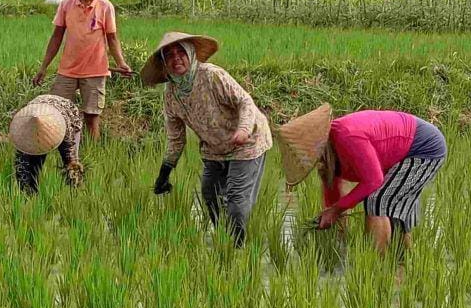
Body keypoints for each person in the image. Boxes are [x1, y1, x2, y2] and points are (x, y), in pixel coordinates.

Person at [144, 32, 272, 247]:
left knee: (236, 202)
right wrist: (164, 173)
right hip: (214, 148)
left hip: (247, 143)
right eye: (170, 55)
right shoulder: (171, 94)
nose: (176, 59)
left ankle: (237, 250)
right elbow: (176, 138)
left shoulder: (212, 76)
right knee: (210, 195)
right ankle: (224, 240)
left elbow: (245, 102)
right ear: (165, 64)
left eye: (181, 52)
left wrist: (243, 130)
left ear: (191, 54)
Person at [274, 105, 447, 252]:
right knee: (391, 205)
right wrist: (337, 229)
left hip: (424, 147)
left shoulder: (347, 137)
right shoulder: (329, 159)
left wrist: (335, 210)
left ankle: (379, 267)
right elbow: (334, 197)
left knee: (377, 201)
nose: (315, 162)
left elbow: (373, 180)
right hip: (401, 152)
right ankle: (402, 264)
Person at [33, 0, 132, 139]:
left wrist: (121, 63)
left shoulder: (105, 6)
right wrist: (43, 67)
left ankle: (91, 156)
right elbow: (56, 37)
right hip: (68, 70)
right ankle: (65, 154)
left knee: (92, 117)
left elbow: (112, 38)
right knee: (60, 113)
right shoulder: (66, 4)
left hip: (95, 71)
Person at [9, 94, 84, 195]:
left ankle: (75, 194)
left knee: (71, 165)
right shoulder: (23, 127)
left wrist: (74, 178)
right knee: (26, 165)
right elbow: (21, 166)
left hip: (66, 112)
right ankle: (29, 195)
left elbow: (72, 162)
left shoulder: (65, 128)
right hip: (36, 111)